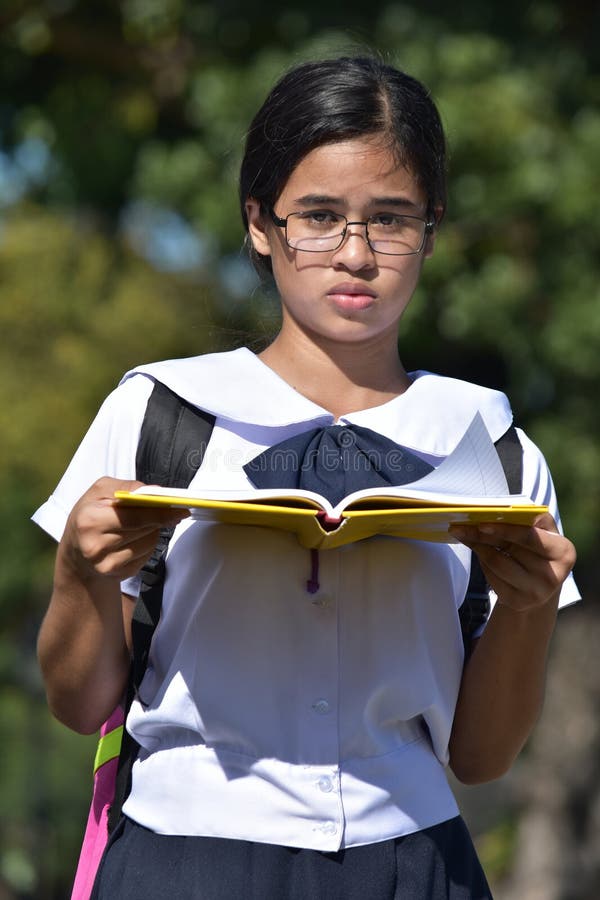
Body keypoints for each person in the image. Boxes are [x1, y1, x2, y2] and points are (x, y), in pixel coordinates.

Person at [34, 56, 578, 899]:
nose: (355, 254)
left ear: (431, 228)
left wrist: (534, 608)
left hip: (413, 858)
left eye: (390, 219)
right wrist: (79, 571)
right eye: (318, 216)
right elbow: (76, 705)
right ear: (259, 222)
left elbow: (481, 758)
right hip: (188, 855)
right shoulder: (160, 412)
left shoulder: (492, 450)